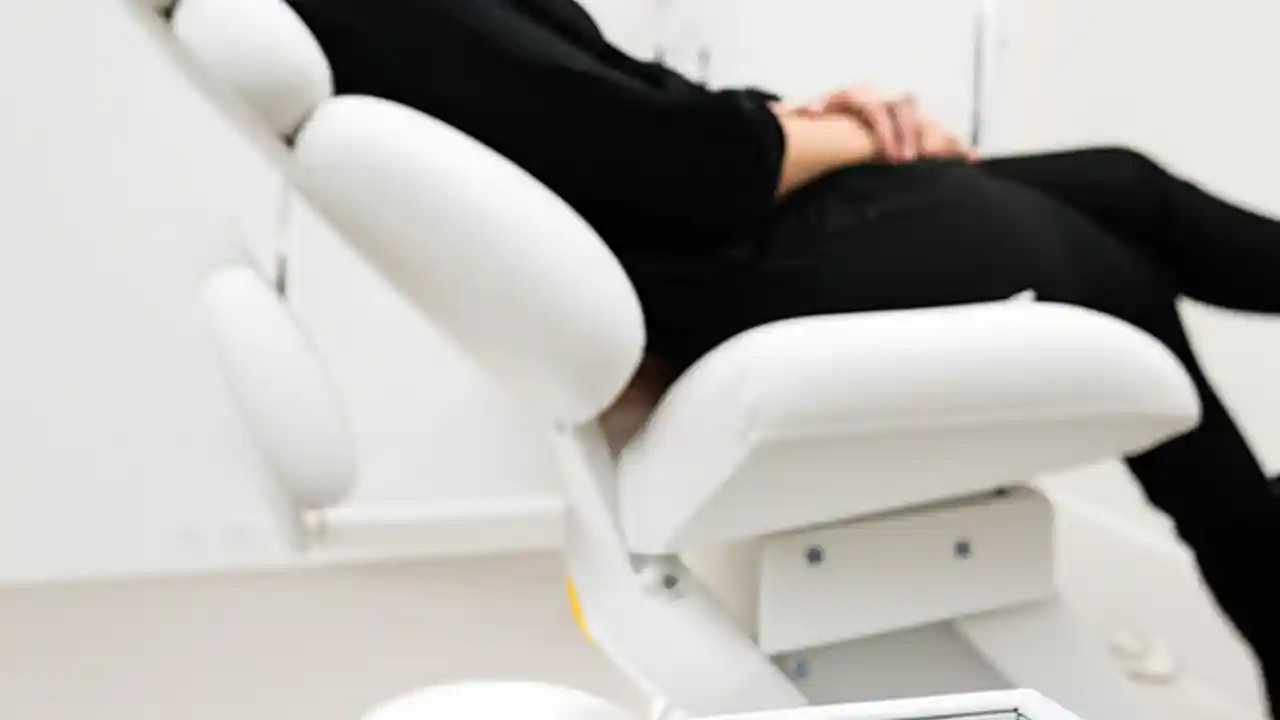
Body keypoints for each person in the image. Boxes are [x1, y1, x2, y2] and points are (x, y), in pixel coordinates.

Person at [284, 0, 1279, 711]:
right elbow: (679, 162)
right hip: (730, 262)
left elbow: (639, 118)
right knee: (1116, 271)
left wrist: (810, 120)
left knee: (1122, 185)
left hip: (735, 236)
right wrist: (844, 132)